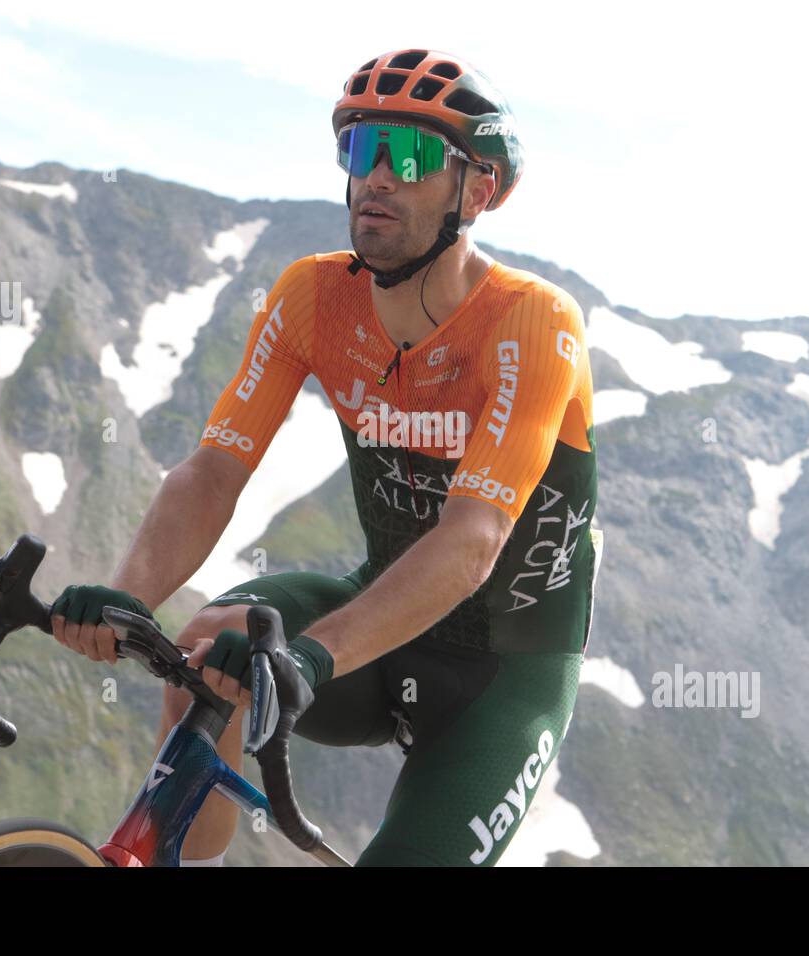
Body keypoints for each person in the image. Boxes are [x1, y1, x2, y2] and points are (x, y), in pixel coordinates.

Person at [50, 48, 602, 866]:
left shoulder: (532, 321)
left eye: (408, 156)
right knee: (210, 649)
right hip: (374, 622)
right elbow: (213, 471)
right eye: (360, 150)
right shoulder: (314, 295)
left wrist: (314, 653)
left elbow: (475, 536)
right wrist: (127, 598)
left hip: (505, 675)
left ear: (476, 191)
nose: (375, 176)